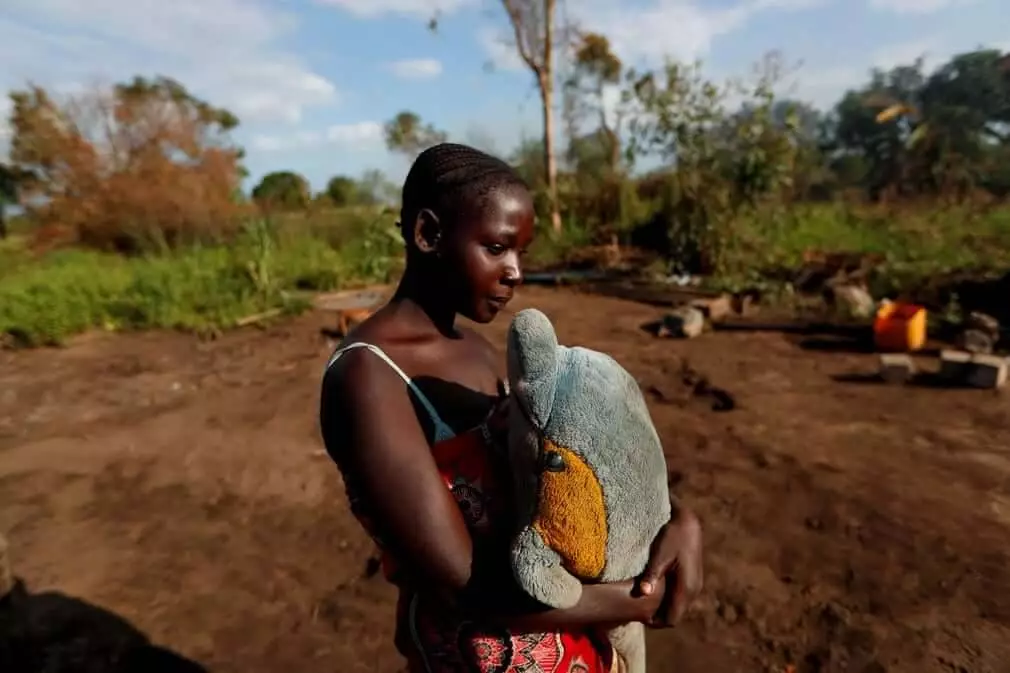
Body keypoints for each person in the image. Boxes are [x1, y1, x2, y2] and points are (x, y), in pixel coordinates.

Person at [319, 143, 703, 672]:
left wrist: (678, 519)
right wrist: (641, 598)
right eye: (497, 248)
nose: (516, 272)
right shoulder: (368, 377)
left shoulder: (478, 349)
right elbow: (468, 588)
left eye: (521, 252)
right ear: (428, 234)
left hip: (582, 653)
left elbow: (559, 464)